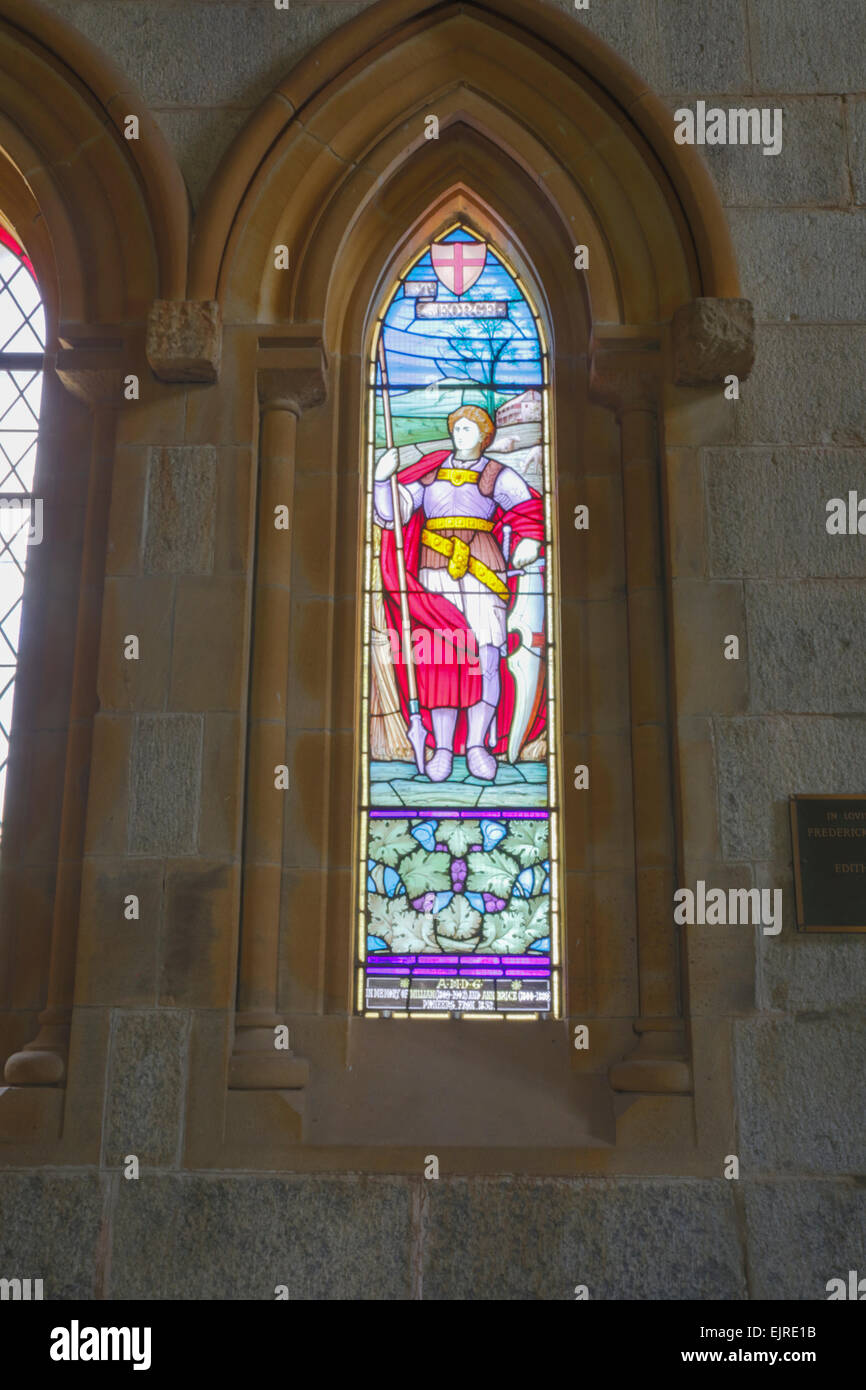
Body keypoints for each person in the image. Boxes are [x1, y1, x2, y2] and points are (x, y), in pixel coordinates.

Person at [374, 403, 545, 781]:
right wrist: (383, 481)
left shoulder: (496, 474)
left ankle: (478, 746)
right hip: (435, 574)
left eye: (468, 428)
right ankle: (444, 749)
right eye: (457, 427)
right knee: (441, 663)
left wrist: (531, 539)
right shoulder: (431, 473)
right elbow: (396, 513)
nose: (459, 434)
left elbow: (529, 507)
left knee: (485, 658)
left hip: (482, 573)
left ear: (485, 437)